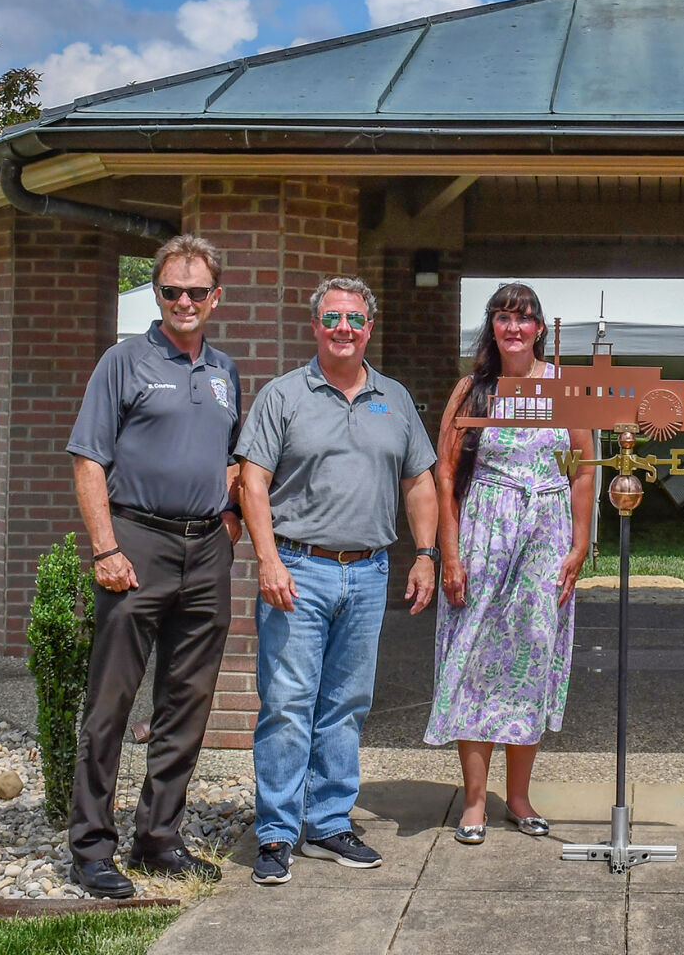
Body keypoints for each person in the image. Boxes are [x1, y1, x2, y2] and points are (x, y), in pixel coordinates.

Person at [238, 276, 439, 887]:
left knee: (347, 704)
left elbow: (419, 483)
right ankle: (275, 832)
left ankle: (327, 823)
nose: (343, 330)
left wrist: (425, 554)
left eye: (354, 319)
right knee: (288, 703)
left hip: (369, 572)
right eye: (332, 320)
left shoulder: (394, 399)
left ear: (369, 328)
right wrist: (268, 560)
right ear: (315, 327)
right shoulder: (283, 395)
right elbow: (251, 482)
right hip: (297, 568)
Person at [65, 234, 243, 899]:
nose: (185, 301)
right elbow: (88, 458)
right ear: (156, 293)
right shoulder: (123, 362)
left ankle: (159, 839)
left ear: (216, 297)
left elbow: (231, 458)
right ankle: (90, 849)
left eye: (197, 291)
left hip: (206, 553)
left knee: (185, 702)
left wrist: (228, 519)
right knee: (109, 702)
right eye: (172, 291)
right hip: (136, 543)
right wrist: (106, 547)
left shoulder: (225, 370)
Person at [426, 283, 595, 844]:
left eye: (523, 319)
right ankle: (474, 801)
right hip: (483, 533)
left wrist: (579, 544)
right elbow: (446, 475)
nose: (513, 328)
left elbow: (583, 468)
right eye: (503, 318)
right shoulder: (471, 390)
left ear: (539, 328)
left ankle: (518, 797)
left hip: (545, 535)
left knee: (532, 658)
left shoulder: (564, 388)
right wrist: (448, 553)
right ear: (492, 326)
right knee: (474, 660)